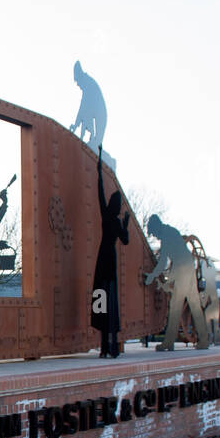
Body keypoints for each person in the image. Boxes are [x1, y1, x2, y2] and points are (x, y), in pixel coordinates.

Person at [144, 214, 210, 350]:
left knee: (175, 307)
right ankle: (203, 340)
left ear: (157, 228)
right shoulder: (170, 232)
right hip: (188, 269)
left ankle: (169, 342)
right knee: (194, 306)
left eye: (154, 233)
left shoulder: (167, 236)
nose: (155, 236)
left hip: (183, 271)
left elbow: (163, 262)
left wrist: (152, 276)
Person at [91, 150, 129, 357]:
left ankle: (104, 346)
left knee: (101, 299)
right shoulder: (115, 221)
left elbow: (100, 191)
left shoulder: (106, 216)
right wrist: (126, 223)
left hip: (101, 260)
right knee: (110, 301)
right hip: (110, 262)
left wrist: (99, 169)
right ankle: (112, 346)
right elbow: (125, 240)